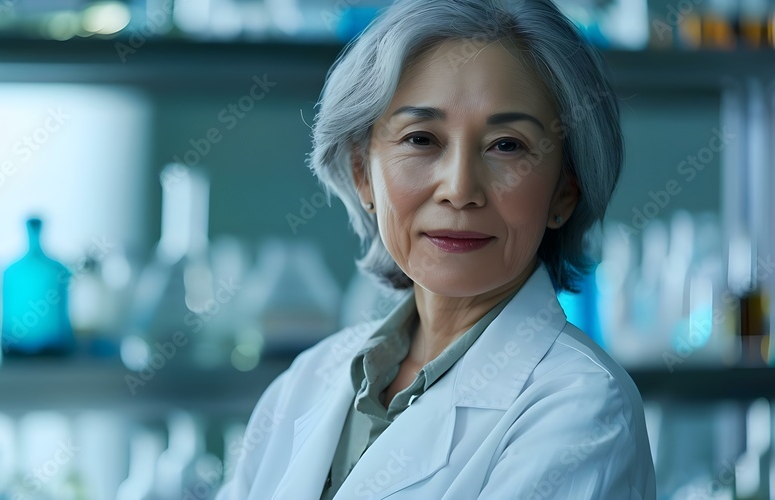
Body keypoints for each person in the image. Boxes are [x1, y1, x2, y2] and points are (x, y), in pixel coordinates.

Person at [215, 0, 656, 498]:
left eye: (507, 145)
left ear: (564, 193)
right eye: (421, 139)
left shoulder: (583, 407)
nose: (460, 188)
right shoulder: (306, 381)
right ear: (363, 174)